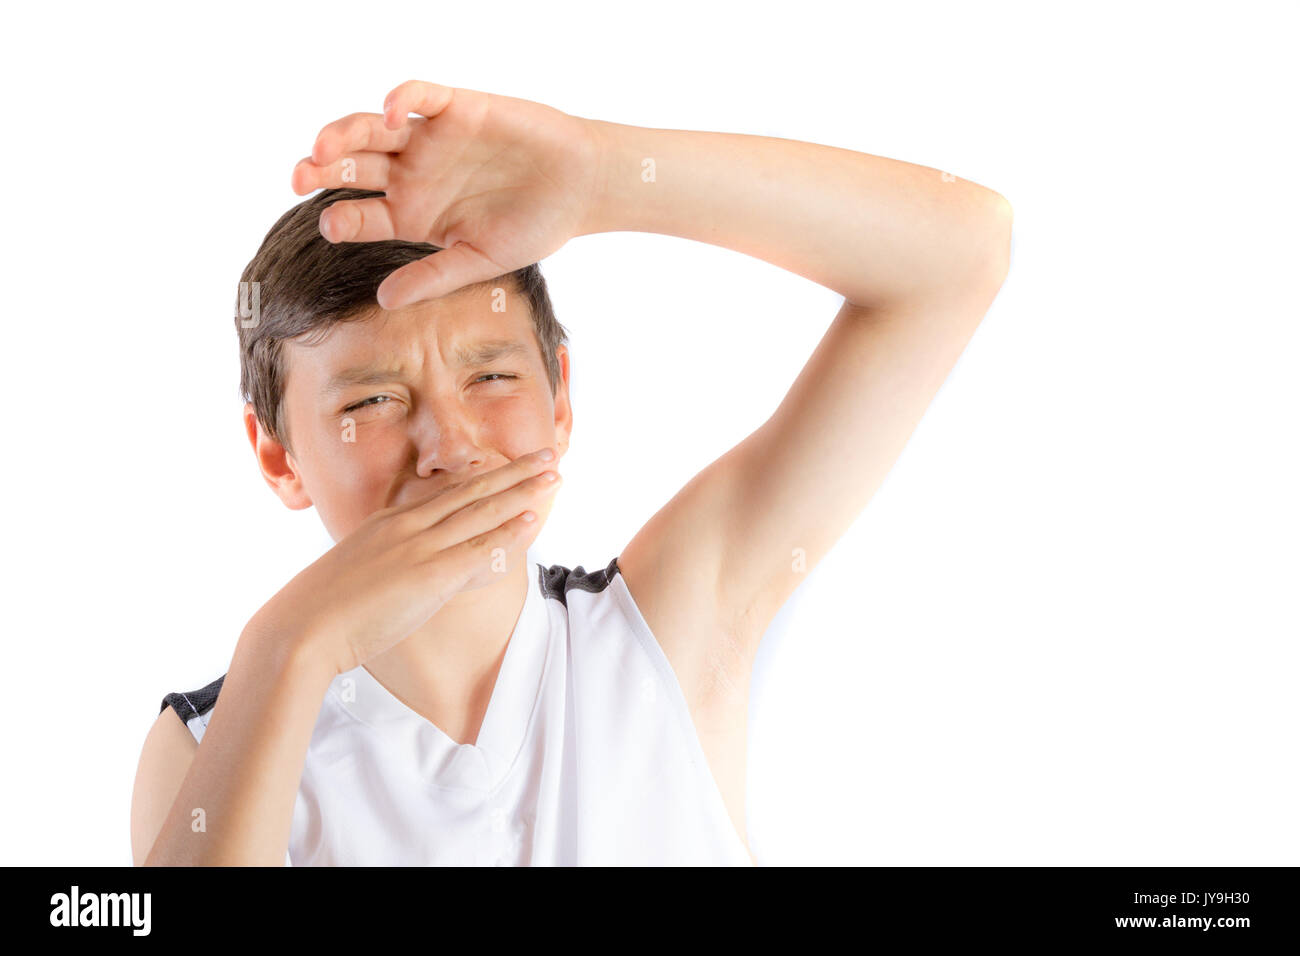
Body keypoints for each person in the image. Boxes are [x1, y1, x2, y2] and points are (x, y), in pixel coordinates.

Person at [130, 80, 1012, 866]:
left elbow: (958, 253)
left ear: (560, 403)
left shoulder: (664, 633)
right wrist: (287, 646)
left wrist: (601, 175)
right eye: (371, 403)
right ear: (279, 456)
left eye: (492, 376)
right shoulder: (209, 741)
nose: (450, 444)